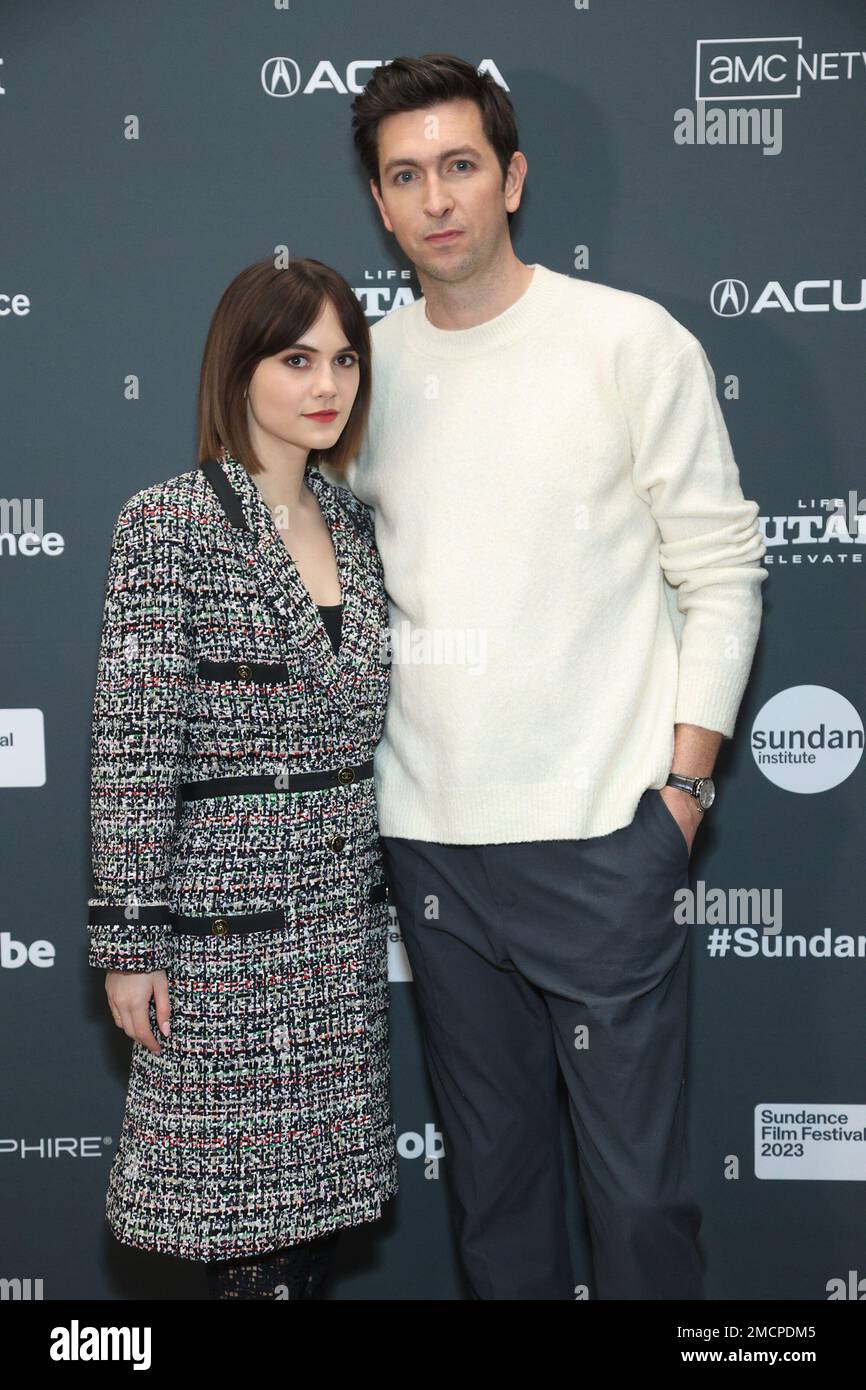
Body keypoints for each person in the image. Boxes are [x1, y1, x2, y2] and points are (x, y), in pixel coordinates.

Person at [334, 53, 768, 1299]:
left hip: (602, 840)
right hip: (430, 847)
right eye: (405, 175)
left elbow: (721, 573)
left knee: (637, 1211)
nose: (436, 200)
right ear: (378, 201)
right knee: (496, 1202)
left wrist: (681, 794)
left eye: (459, 166)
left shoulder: (627, 342)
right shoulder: (356, 371)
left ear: (511, 177)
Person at [86, 257, 397, 1299]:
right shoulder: (167, 522)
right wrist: (130, 942)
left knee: (307, 1239)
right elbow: (134, 748)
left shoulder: (356, 527)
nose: (328, 383)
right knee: (237, 1238)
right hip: (222, 945)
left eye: (345, 358)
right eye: (296, 356)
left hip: (336, 937)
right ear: (239, 366)